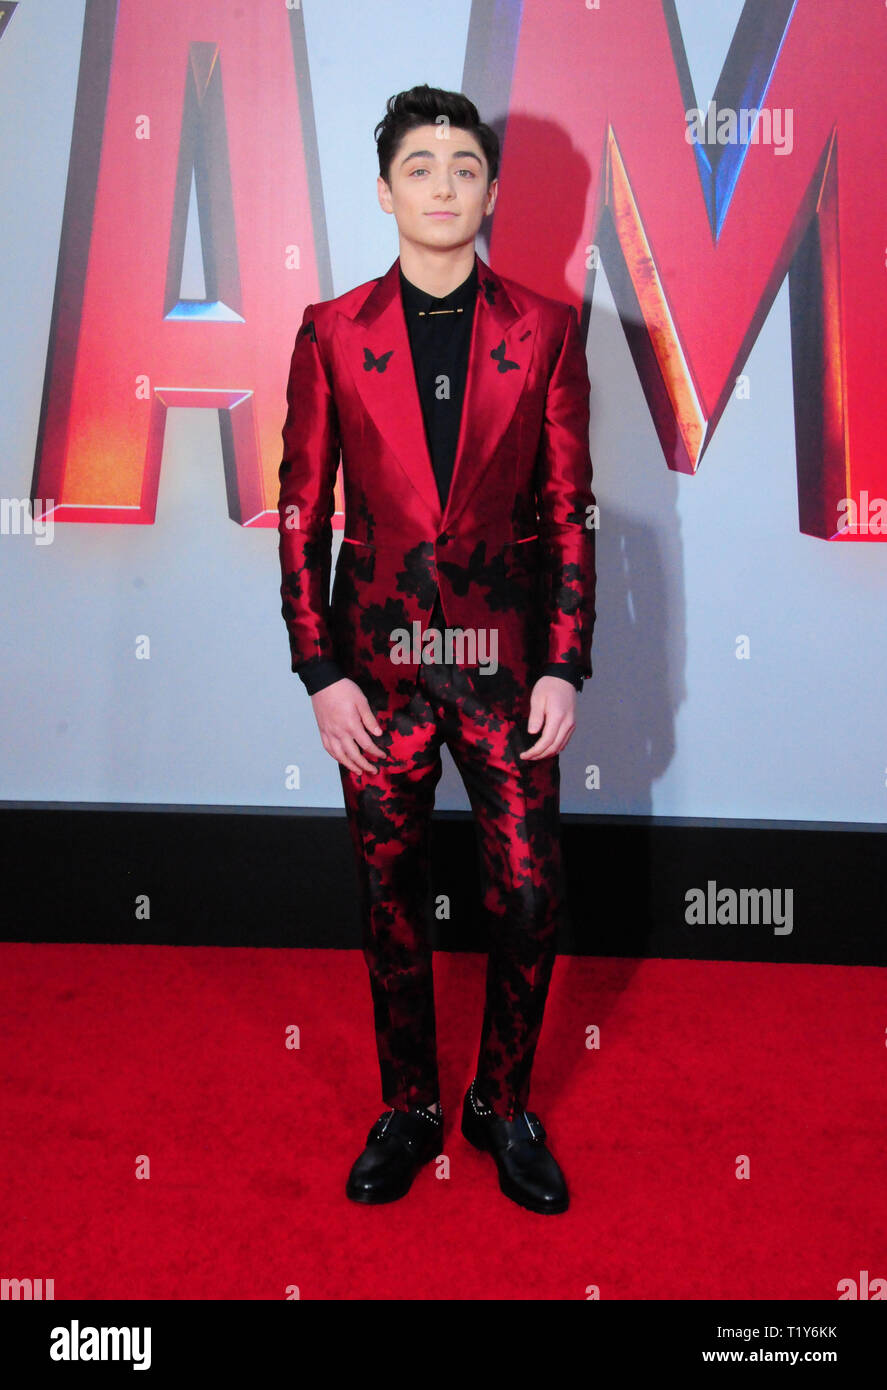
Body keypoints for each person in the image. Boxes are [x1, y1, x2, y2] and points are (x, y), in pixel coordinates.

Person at [277, 85, 596, 1214]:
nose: (444, 185)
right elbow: (301, 512)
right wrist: (318, 669)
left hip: (508, 670)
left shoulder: (546, 329)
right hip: (378, 670)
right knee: (388, 898)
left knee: (527, 895)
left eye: (464, 166)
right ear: (384, 191)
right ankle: (409, 1102)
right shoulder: (328, 330)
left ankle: (498, 1102)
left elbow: (568, 510)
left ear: (492, 190)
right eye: (421, 166)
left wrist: (564, 660)